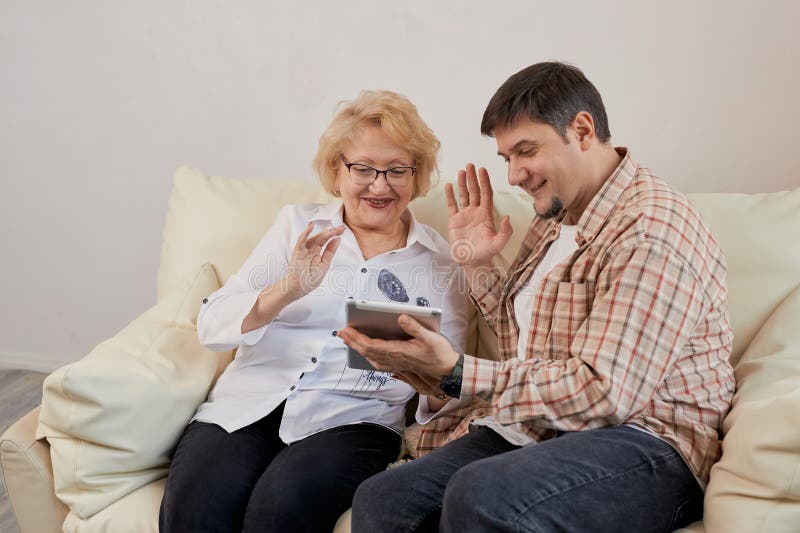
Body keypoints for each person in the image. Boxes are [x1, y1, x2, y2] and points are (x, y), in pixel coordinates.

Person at [342, 62, 735, 532]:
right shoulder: (556, 216)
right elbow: (523, 343)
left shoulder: (651, 230)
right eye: (506, 156)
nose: (514, 174)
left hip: (647, 442)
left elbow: (602, 392)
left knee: (481, 496)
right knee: (384, 498)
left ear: (583, 130)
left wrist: (458, 372)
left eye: (526, 151)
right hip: (545, 426)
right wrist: (476, 263)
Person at [158, 90, 468, 533]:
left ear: (416, 178)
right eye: (363, 169)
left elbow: (448, 388)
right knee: (197, 514)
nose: (379, 186)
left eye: (397, 170)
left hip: (352, 420)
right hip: (248, 403)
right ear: (337, 170)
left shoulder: (440, 262)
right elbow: (213, 323)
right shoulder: (294, 227)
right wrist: (288, 289)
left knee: (278, 512)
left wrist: (424, 370)